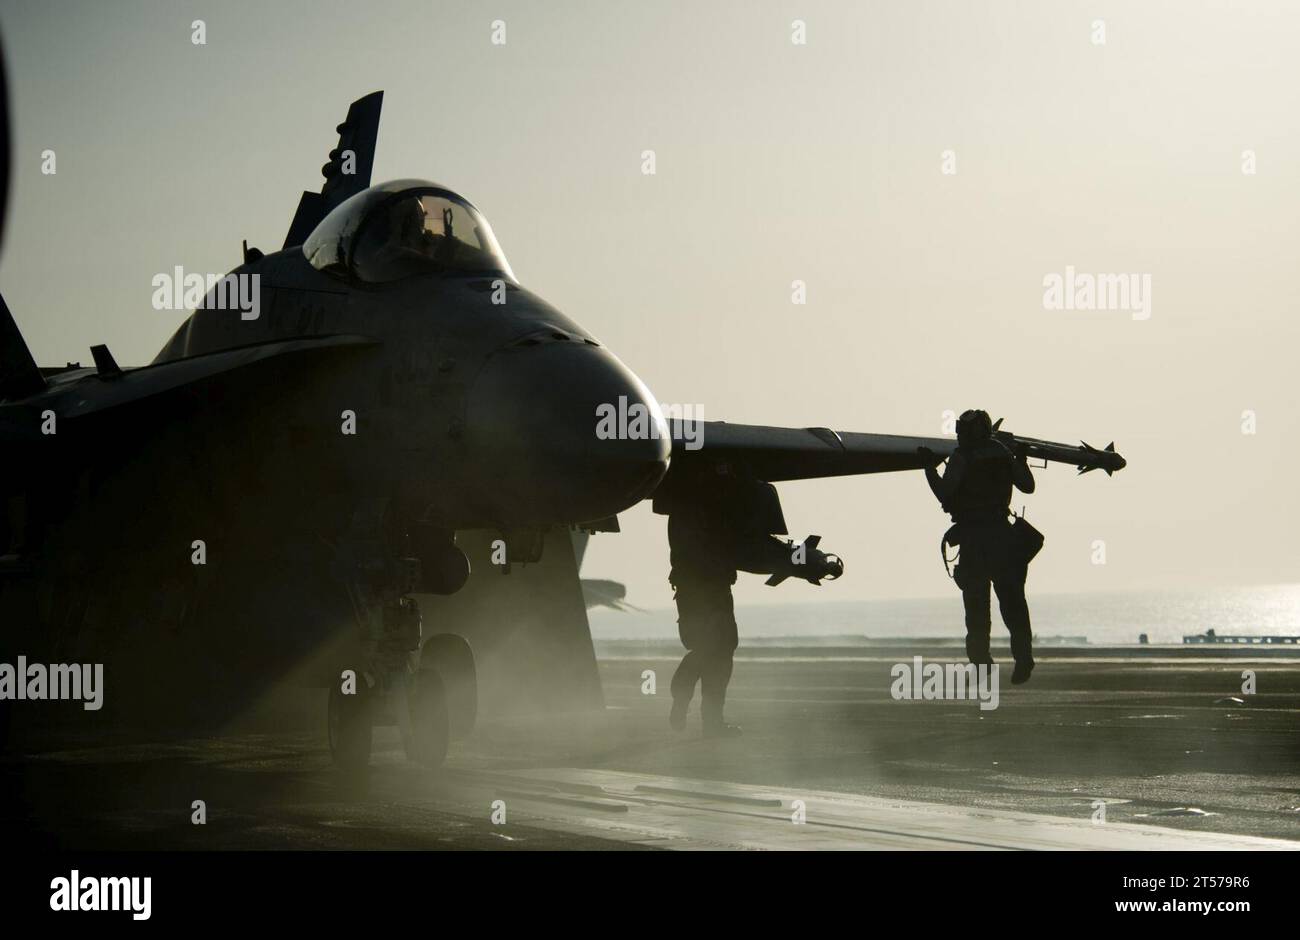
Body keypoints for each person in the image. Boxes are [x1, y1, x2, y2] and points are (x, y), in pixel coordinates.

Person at [664, 473, 841, 737]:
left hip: (691, 591)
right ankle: (708, 718)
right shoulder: (717, 513)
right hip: (712, 590)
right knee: (720, 650)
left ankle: (690, 702)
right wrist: (806, 561)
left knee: (709, 649)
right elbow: (753, 550)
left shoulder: (686, 509)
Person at [919, 410, 1037, 684]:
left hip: (975, 541)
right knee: (1014, 604)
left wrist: (928, 468)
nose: (958, 434)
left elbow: (945, 495)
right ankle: (1023, 659)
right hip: (1003, 539)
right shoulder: (1003, 453)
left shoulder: (963, 457)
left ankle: (982, 663)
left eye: (962, 429)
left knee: (976, 609)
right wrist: (1021, 457)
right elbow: (1028, 486)